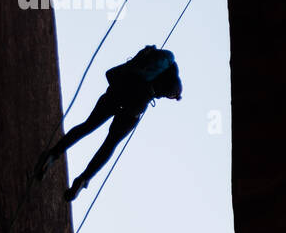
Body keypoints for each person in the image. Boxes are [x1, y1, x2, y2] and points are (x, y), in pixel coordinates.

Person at [34, 46, 182, 200]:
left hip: (119, 91)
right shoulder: (173, 82)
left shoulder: (160, 59)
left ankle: (52, 154)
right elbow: (167, 91)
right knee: (110, 145)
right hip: (134, 108)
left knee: (87, 126)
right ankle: (84, 178)